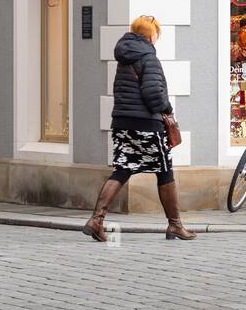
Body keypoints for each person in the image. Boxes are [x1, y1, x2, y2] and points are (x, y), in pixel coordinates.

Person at [83, 15, 195, 242]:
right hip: (147, 125)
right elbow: (153, 94)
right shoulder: (148, 57)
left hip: (123, 123)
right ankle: (175, 225)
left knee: (122, 169)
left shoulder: (124, 57)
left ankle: (96, 220)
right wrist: (167, 107)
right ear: (152, 35)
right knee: (164, 171)